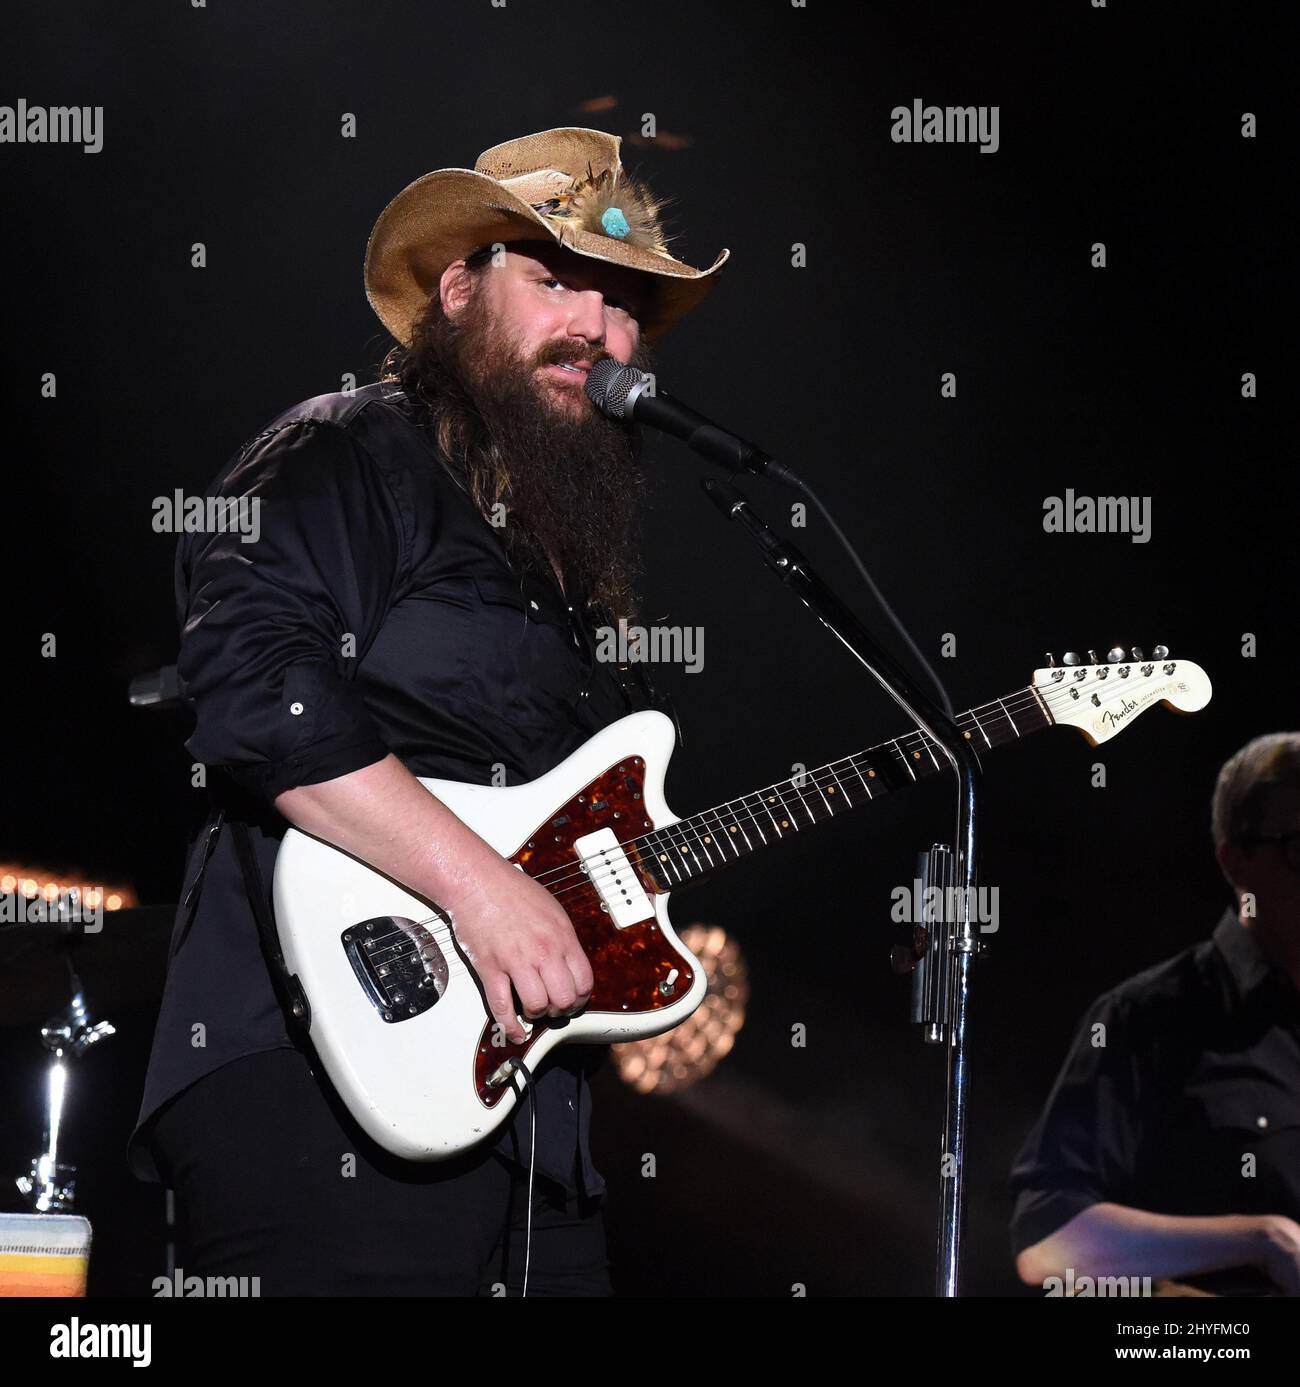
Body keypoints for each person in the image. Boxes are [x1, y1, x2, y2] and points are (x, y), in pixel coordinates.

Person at [127, 127, 728, 1295]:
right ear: (457, 289)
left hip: (526, 1122)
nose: (600, 331)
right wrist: (482, 887)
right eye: (558, 280)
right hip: (310, 1083)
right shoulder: (352, 450)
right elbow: (251, 677)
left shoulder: (565, 568)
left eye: (625, 310)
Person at [1010, 732, 1300, 1296]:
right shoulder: (1145, 1017)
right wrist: (1262, 1239)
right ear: (1236, 861)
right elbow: (1050, 1245)